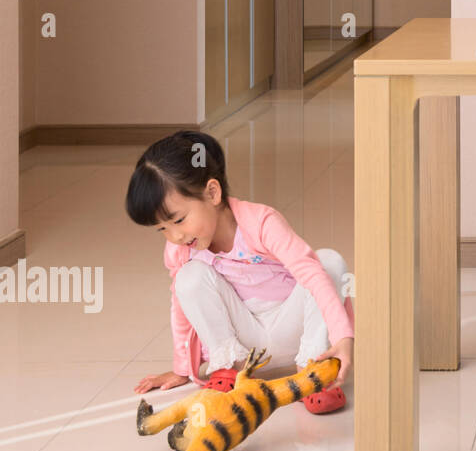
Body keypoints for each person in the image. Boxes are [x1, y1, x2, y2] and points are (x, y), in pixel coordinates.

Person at [127, 130, 353, 414]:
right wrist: (182, 368)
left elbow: (310, 273)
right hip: (246, 348)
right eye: (162, 229)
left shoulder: (261, 222)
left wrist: (343, 337)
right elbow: (182, 307)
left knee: (328, 261)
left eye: (179, 220)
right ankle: (228, 370)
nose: (175, 236)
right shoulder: (181, 251)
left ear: (212, 192)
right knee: (188, 279)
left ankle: (312, 370)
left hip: (292, 326)